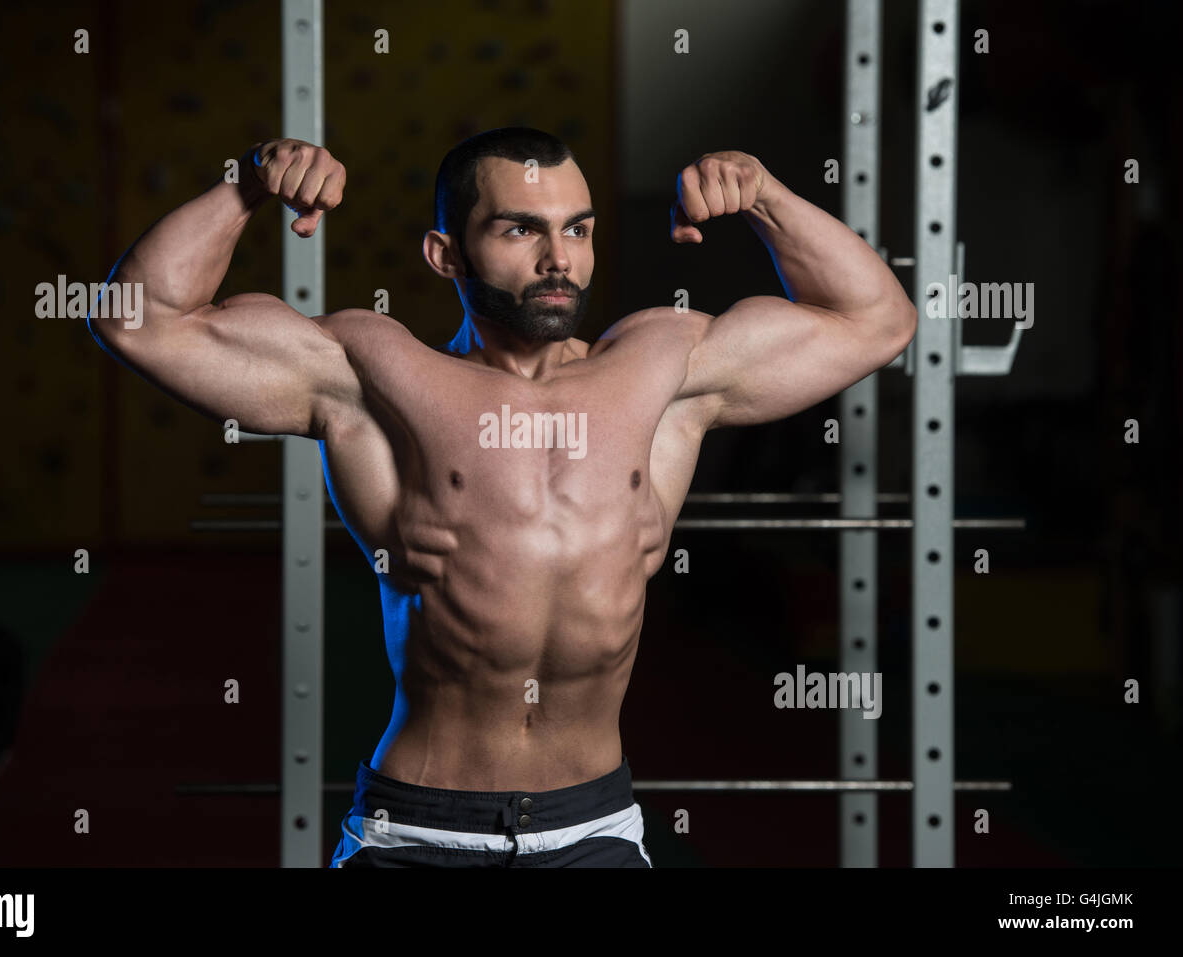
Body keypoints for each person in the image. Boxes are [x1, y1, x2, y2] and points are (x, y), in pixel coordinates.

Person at [88, 127, 916, 867]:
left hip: (593, 828)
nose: (559, 258)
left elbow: (876, 319)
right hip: (416, 832)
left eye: (578, 229)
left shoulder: (664, 368)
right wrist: (246, 184)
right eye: (521, 229)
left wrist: (764, 193)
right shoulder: (373, 375)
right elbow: (138, 320)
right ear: (445, 254)